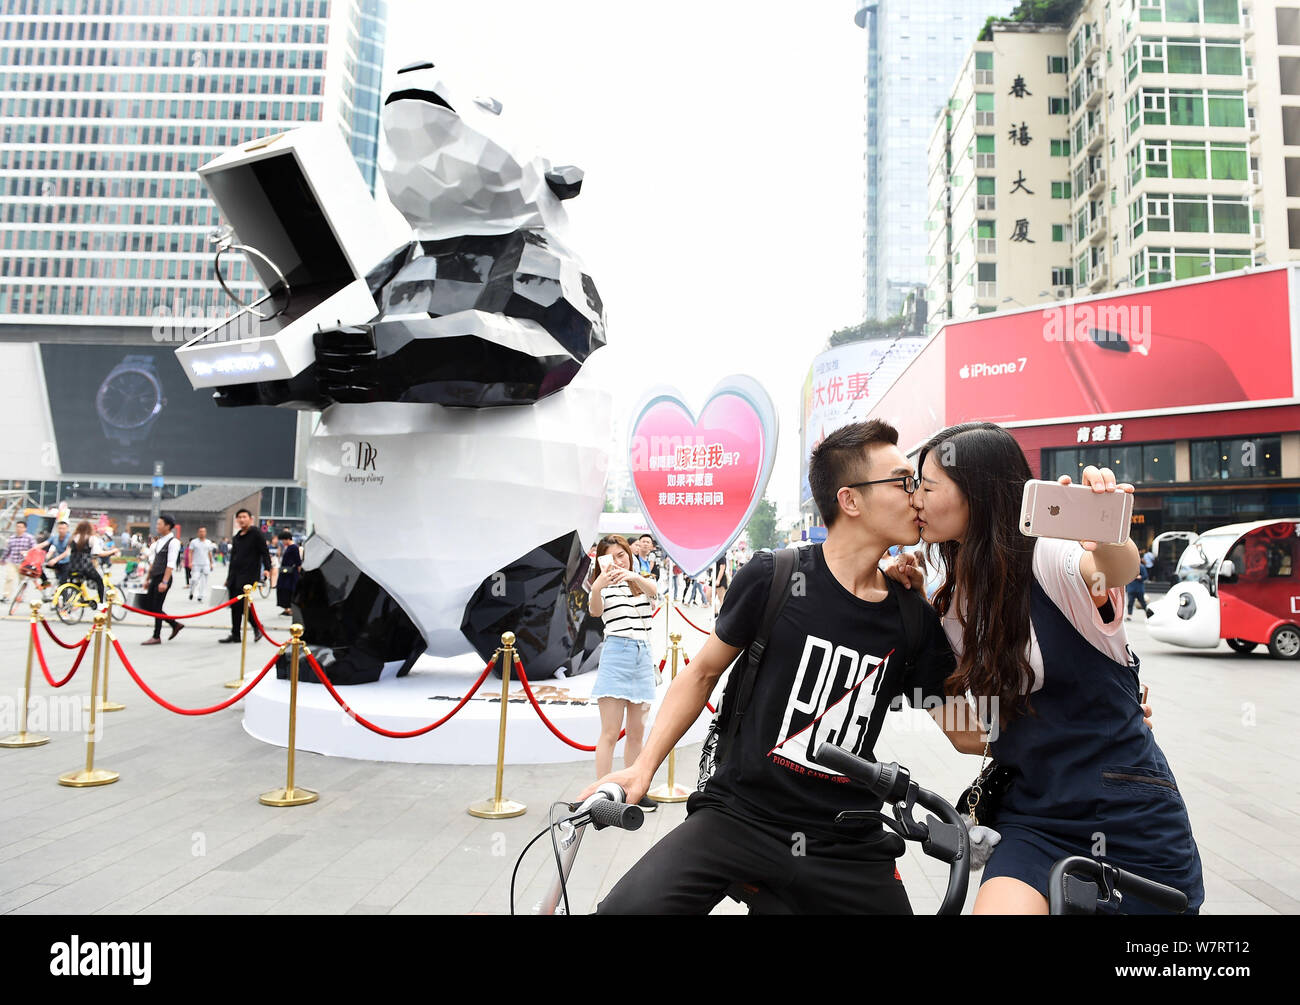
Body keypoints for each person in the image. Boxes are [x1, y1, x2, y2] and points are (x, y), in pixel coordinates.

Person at [587, 421, 958, 914]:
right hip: (740, 818)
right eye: (902, 481)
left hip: (847, 842)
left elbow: (966, 731)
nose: (916, 496)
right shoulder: (776, 577)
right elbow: (700, 674)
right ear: (850, 500)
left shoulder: (912, 616)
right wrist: (642, 768)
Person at [898, 421, 1203, 914]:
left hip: (1126, 812)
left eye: (928, 487)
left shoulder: (1048, 556)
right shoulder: (951, 602)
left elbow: (1112, 569)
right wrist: (909, 640)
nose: (916, 499)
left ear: (978, 493)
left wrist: (1103, 533)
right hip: (1034, 818)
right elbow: (970, 733)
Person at [587, 534, 659, 815]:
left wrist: (631, 574)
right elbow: (595, 612)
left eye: (621, 554)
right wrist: (597, 587)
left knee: (637, 734)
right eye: (610, 556)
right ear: (601, 560)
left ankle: (635, 791)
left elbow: (653, 590)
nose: (617, 560)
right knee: (609, 732)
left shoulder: (641, 580)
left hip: (642, 656)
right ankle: (600, 794)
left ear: (629, 554)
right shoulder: (601, 587)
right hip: (616, 654)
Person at [219, 508, 271, 644]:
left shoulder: (256, 533)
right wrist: (228, 578)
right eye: (239, 517)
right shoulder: (237, 537)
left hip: (248, 576)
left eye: (244, 517)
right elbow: (233, 559)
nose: (242, 520)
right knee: (234, 606)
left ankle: (257, 627)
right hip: (235, 576)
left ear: (250, 519)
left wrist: (267, 569)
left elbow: (265, 552)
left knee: (242, 604)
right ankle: (235, 634)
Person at [140, 514, 184, 646]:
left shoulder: (173, 542)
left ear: (168, 526)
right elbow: (154, 563)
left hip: (163, 577)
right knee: (151, 605)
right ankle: (174, 624)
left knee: (156, 606)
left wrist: (164, 581)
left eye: (159, 524)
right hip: (155, 576)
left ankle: (156, 635)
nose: (157, 526)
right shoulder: (159, 542)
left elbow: (170, 564)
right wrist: (148, 579)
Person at [51, 520, 110, 604]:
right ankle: (101, 603)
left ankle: (70, 602)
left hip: (72, 567)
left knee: (75, 585)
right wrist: (113, 551)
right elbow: (98, 553)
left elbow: (67, 552)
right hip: (86, 568)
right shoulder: (91, 538)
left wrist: (55, 559)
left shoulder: (73, 537)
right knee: (99, 581)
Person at [1, 520, 37, 602]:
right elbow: (7, 550)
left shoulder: (29, 538)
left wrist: (27, 553)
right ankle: (6, 596)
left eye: (21, 527)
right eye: (17, 527)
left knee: (22, 581)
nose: (18, 529)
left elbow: (34, 549)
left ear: (25, 528)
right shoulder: (11, 538)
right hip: (12, 561)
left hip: (24, 562)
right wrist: (3, 559)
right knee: (9, 578)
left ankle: (21, 596)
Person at [188, 527, 218, 603]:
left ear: (205, 533)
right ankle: (191, 592)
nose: (202, 533)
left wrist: (211, 563)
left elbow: (209, 553)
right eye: (200, 531)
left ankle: (200, 596)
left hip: (205, 564)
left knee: (204, 581)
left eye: (203, 531)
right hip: (196, 564)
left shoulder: (208, 542)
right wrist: (190, 562)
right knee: (194, 579)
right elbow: (190, 552)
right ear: (198, 533)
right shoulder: (194, 542)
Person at [276, 530, 301, 616]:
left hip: (290, 573)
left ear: (287, 539)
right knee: (284, 589)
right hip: (286, 572)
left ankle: (289, 608)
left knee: (288, 590)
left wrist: (299, 572)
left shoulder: (293, 547)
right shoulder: (289, 547)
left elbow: (298, 561)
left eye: (283, 540)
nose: (282, 542)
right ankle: (287, 608)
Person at [43, 520, 72, 587]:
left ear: (67, 529)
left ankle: (64, 595)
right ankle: (46, 586)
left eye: (63, 528)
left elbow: (67, 552)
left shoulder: (70, 538)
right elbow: (45, 544)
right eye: (59, 528)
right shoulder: (54, 538)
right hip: (57, 562)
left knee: (63, 582)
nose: (61, 530)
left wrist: (55, 560)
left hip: (67, 562)